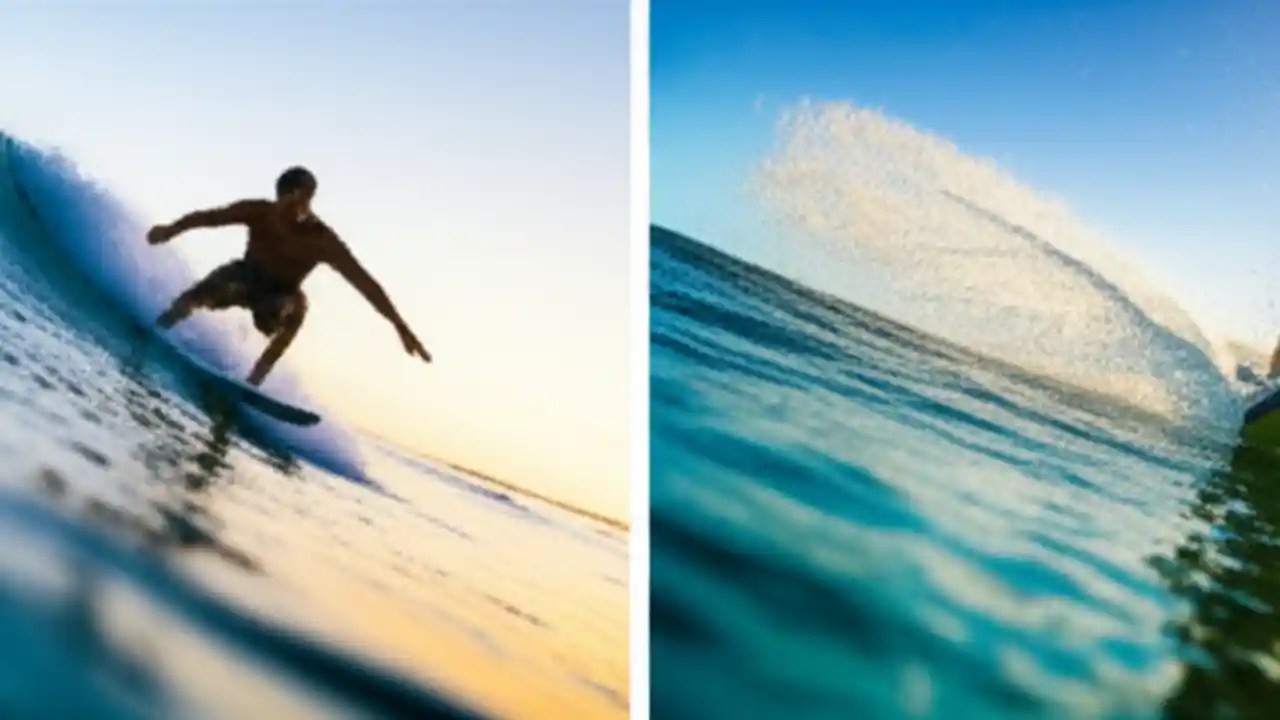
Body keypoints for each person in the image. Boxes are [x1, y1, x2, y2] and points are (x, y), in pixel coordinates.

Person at [148, 166, 430, 385]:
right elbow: (210, 217)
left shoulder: (322, 239)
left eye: (306, 198)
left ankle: (253, 383)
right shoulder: (258, 211)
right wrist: (171, 229)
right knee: (204, 292)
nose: (300, 206)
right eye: (294, 197)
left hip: (279, 294)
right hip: (246, 276)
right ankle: (157, 330)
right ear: (280, 195)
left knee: (295, 307)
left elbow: (365, 283)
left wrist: (400, 326)